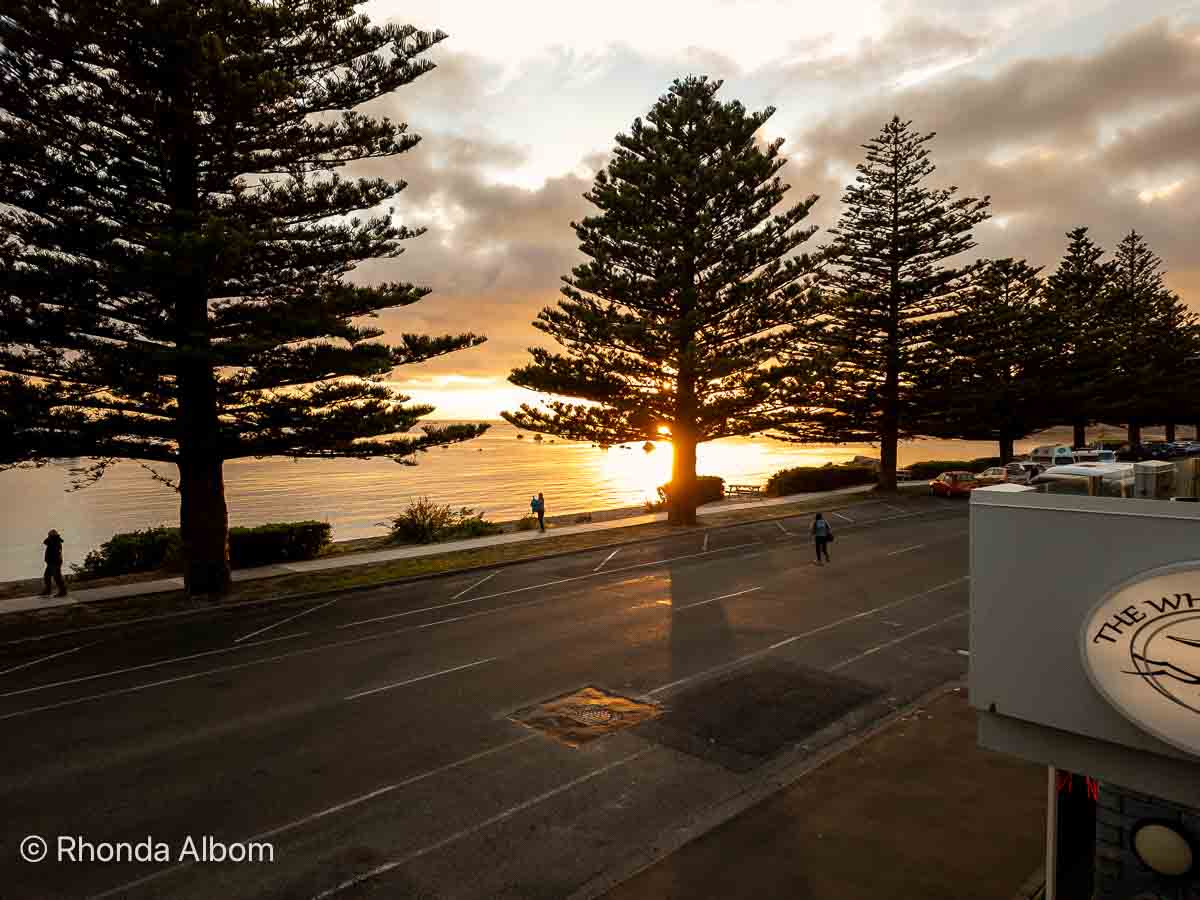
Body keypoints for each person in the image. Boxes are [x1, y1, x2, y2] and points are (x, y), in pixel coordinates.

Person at [41, 528, 68, 597]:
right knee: (47, 576)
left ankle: (62, 591)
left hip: (54, 562)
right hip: (52, 562)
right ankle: (48, 590)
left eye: (49, 535)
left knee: (57, 577)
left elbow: (55, 552)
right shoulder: (53, 541)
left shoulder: (55, 542)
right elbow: (45, 542)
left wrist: (53, 562)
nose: (48, 536)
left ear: (52, 536)